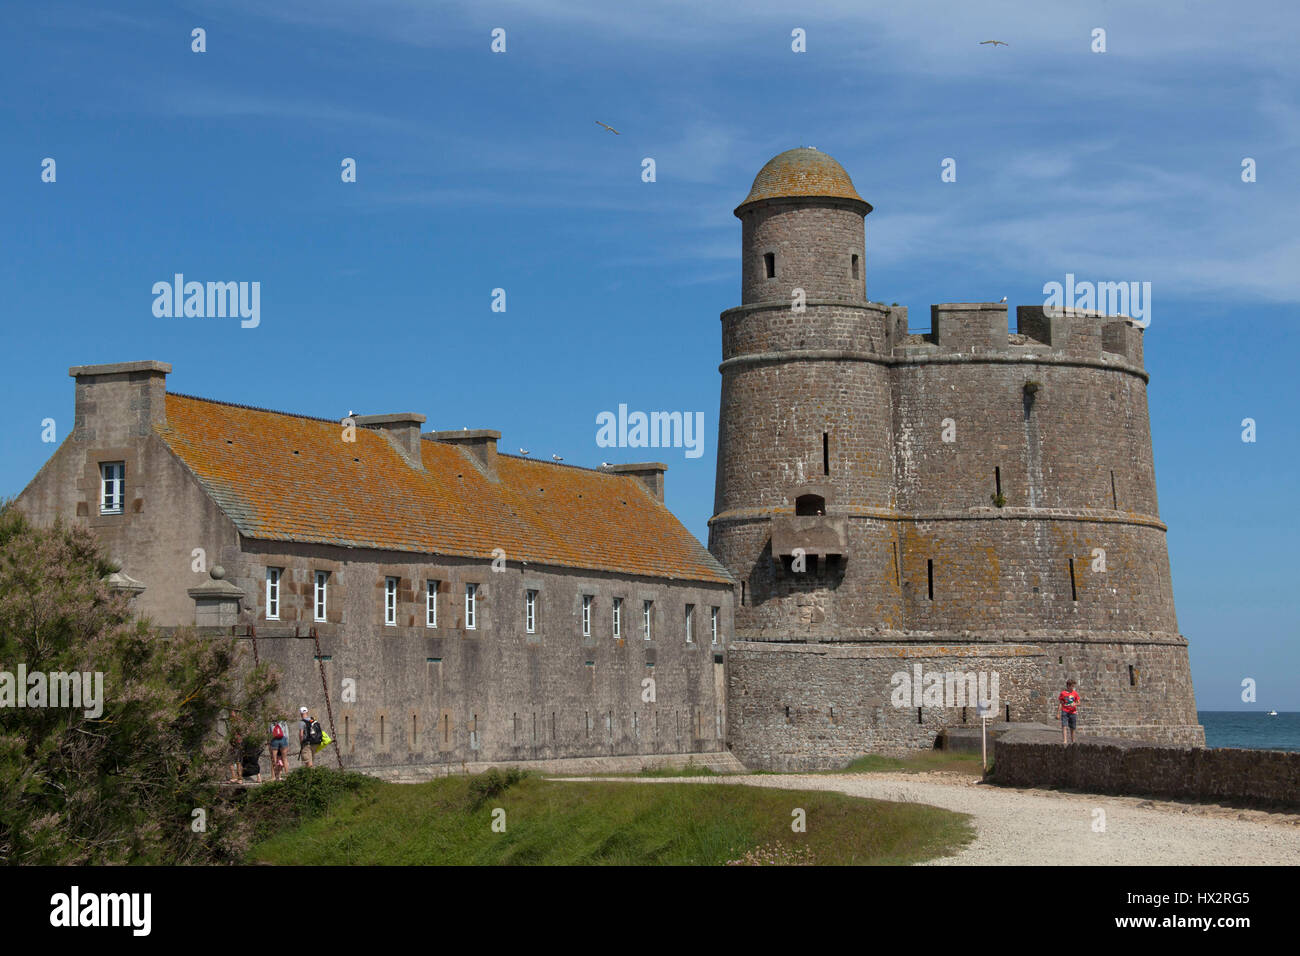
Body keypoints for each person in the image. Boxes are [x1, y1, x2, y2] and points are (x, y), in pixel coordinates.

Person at [1058, 679, 1081, 745]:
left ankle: (1073, 740)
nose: (1073, 688)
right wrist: (1058, 713)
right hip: (1064, 711)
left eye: (1073, 686)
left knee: (1072, 727)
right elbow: (1060, 703)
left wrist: (1075, 704)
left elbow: (1079, 703)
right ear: (1068, 686)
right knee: (1064, 725)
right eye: (1072, 686)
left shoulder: (1075, 693)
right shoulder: (1063, 693)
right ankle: (1065, 740)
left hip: (1073, 712)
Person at [268, 715, 290, 781]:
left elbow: (269, 734)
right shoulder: (283, 722)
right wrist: (287, 743)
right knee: (285, 759)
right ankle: (287, 775)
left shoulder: (271, 723)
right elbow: (286, 734)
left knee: (274, 759)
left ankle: (275, 776)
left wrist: (269, 745)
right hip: (283, 740)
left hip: (274, 740)